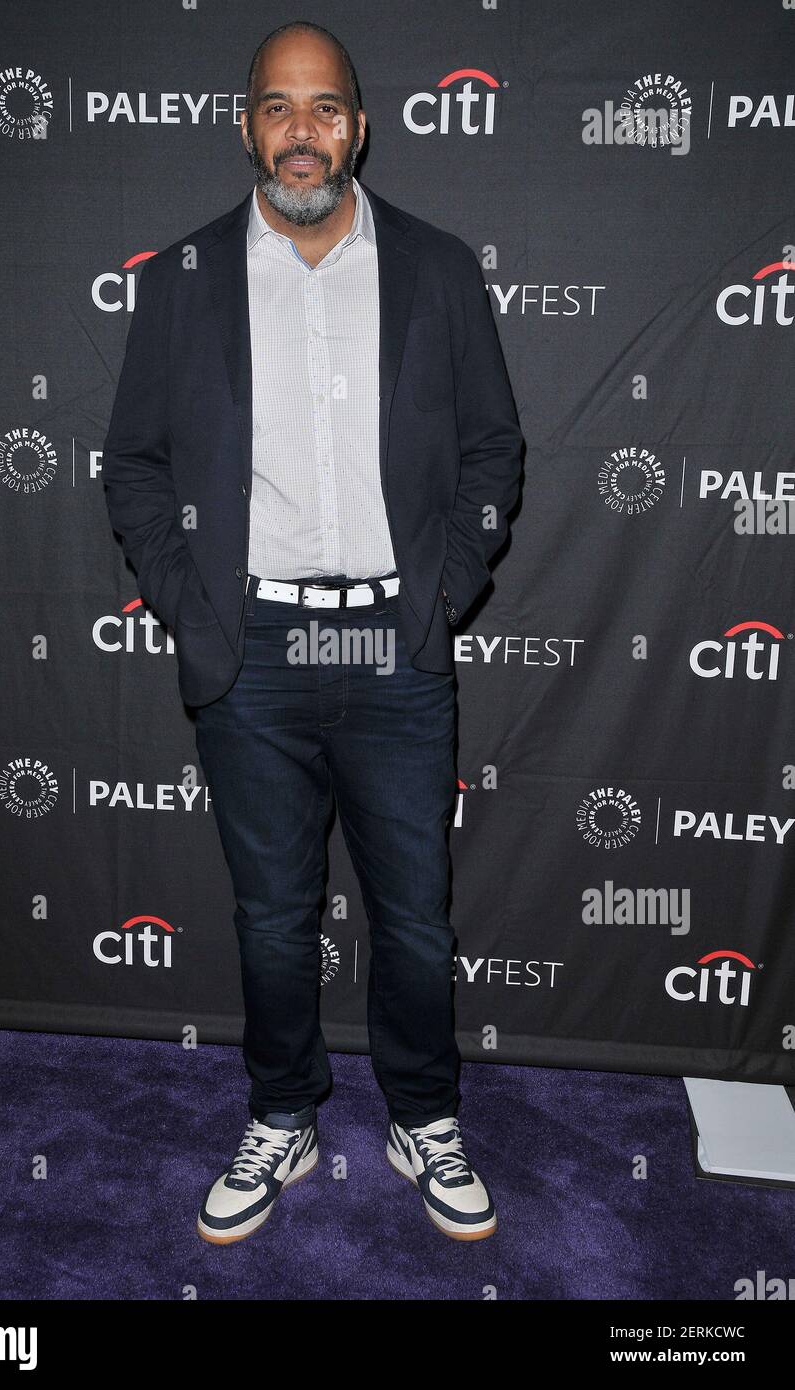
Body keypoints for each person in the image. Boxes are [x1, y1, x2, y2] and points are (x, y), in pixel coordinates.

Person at [102, 19, 524, 1245]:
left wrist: (441, 592)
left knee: (415, 913)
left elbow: (494, 444)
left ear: (359, 126)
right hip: (258, 654)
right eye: (278, 109)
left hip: (392, 645)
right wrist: (197, 606)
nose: (302, 134)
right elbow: (133, 463)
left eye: (324, 108)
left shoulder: (438, 268)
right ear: (248, 125)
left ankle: (423, 1115)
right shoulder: (181, 277)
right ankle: (281, 1109)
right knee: (274, 916)